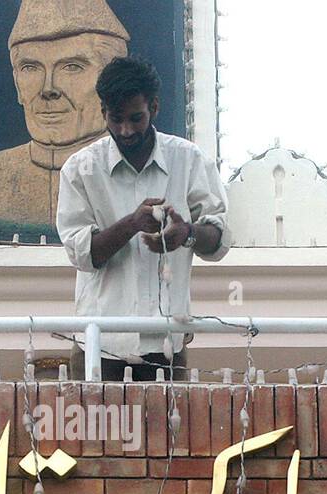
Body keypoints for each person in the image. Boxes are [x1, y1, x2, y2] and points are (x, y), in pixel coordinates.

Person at [56, 55, 232, 381]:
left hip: (167, 345)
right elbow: (81, 253)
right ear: (102, 112)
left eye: (136, 118)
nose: (126, 130)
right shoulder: (80, 169)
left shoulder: (189, 160)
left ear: (154, 107)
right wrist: (132, 224)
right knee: (94, 433)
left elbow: (220, 239)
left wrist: (187, 234)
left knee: (170, 433)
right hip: (99, 346)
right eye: (116, 118)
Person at [0, 0, 129, 241]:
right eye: (30, 68)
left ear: (112, 83)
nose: (48, 89)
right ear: (17, 85)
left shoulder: (151, 177)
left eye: (71, 67)